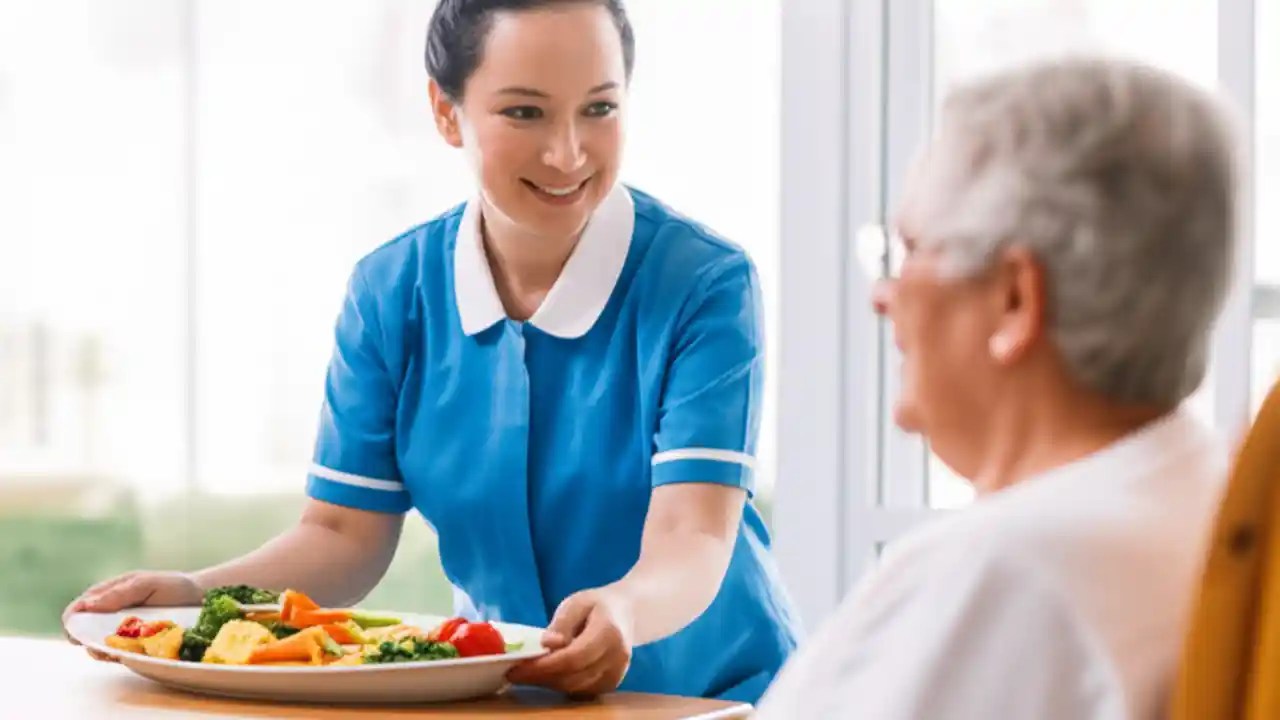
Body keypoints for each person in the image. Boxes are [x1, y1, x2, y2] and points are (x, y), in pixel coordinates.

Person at [66, 0, 799, 702]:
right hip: (506, 699)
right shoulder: (390, 292)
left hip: (716, 699)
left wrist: (626, 612)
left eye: (599, 108)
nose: (568, 151)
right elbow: (342, 534)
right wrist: (202, 599)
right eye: (524, 111)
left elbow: (693, 532)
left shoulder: (703, 284)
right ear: (447, 114)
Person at [756, 57, 1239, 719]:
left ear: (1015, 298)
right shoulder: (1215, 502)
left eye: (908, 251)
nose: (882, 297)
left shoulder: (1008, 572)